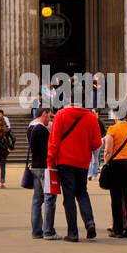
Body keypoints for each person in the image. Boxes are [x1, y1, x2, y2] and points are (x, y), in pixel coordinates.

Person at [47, 99, 102, 241]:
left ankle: (73, 233)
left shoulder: (60, 115)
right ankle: (89, 222)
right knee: (82, 193)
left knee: (69, 197)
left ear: (69, 101)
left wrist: (50, 161)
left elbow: (54, 141)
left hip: (65, 162)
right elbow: (97, 143)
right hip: (83, 162)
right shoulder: (91, 117)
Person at [26, 109, 58, 239]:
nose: (50, 119)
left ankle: (36, 231)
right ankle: (48, 231)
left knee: (37, 200)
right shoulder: (43, 130)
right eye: (49, 116)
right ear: (44, 114)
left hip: (35, 166)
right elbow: (49, 149)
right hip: (45, 167)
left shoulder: (31, 128)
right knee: (50, 199)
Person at [87, 110, 104, 180]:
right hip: (90, 142)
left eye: (94, 112)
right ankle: (90, 174)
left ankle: (94, 174)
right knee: (91, 159)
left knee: (95, 159)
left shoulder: (99, 121)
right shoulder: (89, 121)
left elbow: (103, 131)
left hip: (97, 141)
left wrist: (101, 138)